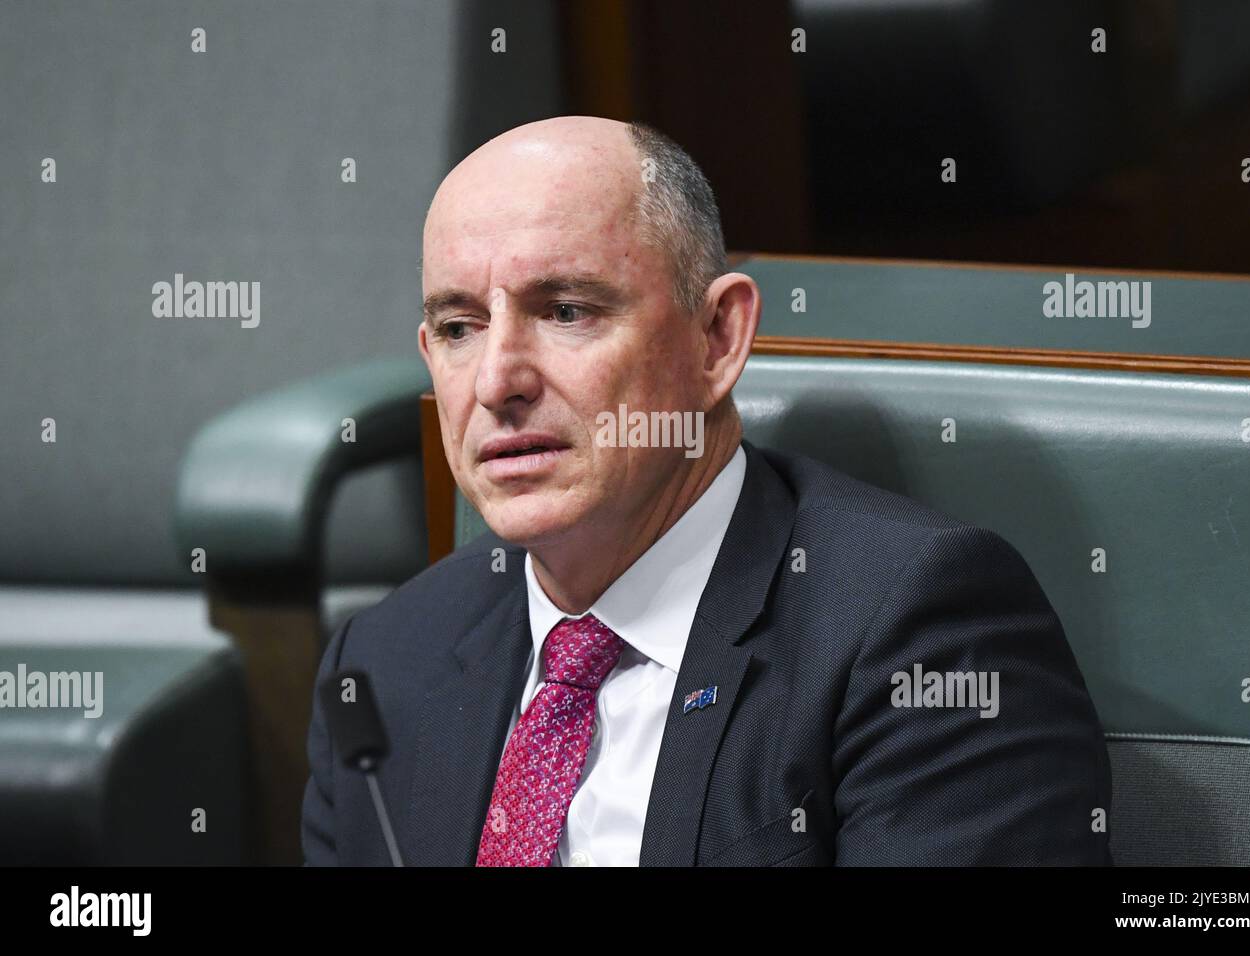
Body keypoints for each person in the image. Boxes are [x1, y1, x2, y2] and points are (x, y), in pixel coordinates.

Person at [301, 115, 1111, 866]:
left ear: (718, 338)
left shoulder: (916, 627)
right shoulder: (382, 662)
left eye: (568, 310)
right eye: (458, 328)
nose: (496, 379)